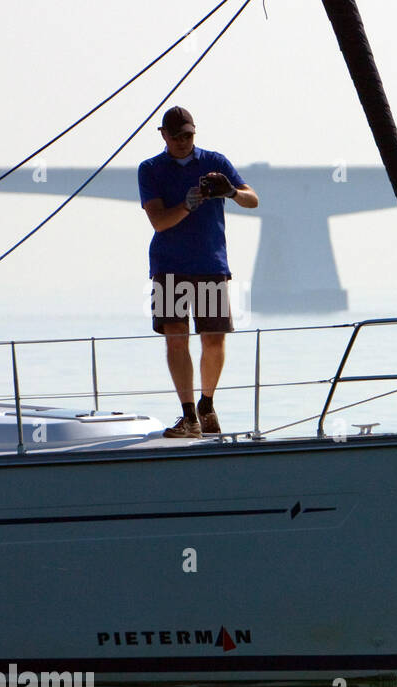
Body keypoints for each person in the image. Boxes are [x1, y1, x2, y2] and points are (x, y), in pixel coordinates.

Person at [138, 106, 258, 438]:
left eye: (188, 136)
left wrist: (230, 191)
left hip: (210, 264)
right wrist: (187, 205)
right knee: (176, 339)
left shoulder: (215, 161)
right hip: (169, 266)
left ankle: (207, 406)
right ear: (163, 135)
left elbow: (253, 200)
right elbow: (159, 221)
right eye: (176, 136)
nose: (183, 142)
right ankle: (188, 415)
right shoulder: (150, 169)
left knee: (214, 338)